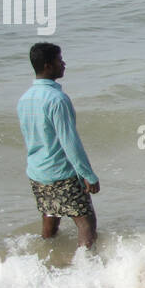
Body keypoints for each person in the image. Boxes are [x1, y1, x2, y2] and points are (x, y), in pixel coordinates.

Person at [16, 43, 100, 249]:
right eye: (59, 60)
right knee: (86, 223)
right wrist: (88, 175)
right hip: (62, 174)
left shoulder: (24, 99)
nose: (63, 63)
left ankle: (47, 261)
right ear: (48, 66)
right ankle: (85, 268)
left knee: (50, 218)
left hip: (37, 173)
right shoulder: (57, 100)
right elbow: (70, 142)